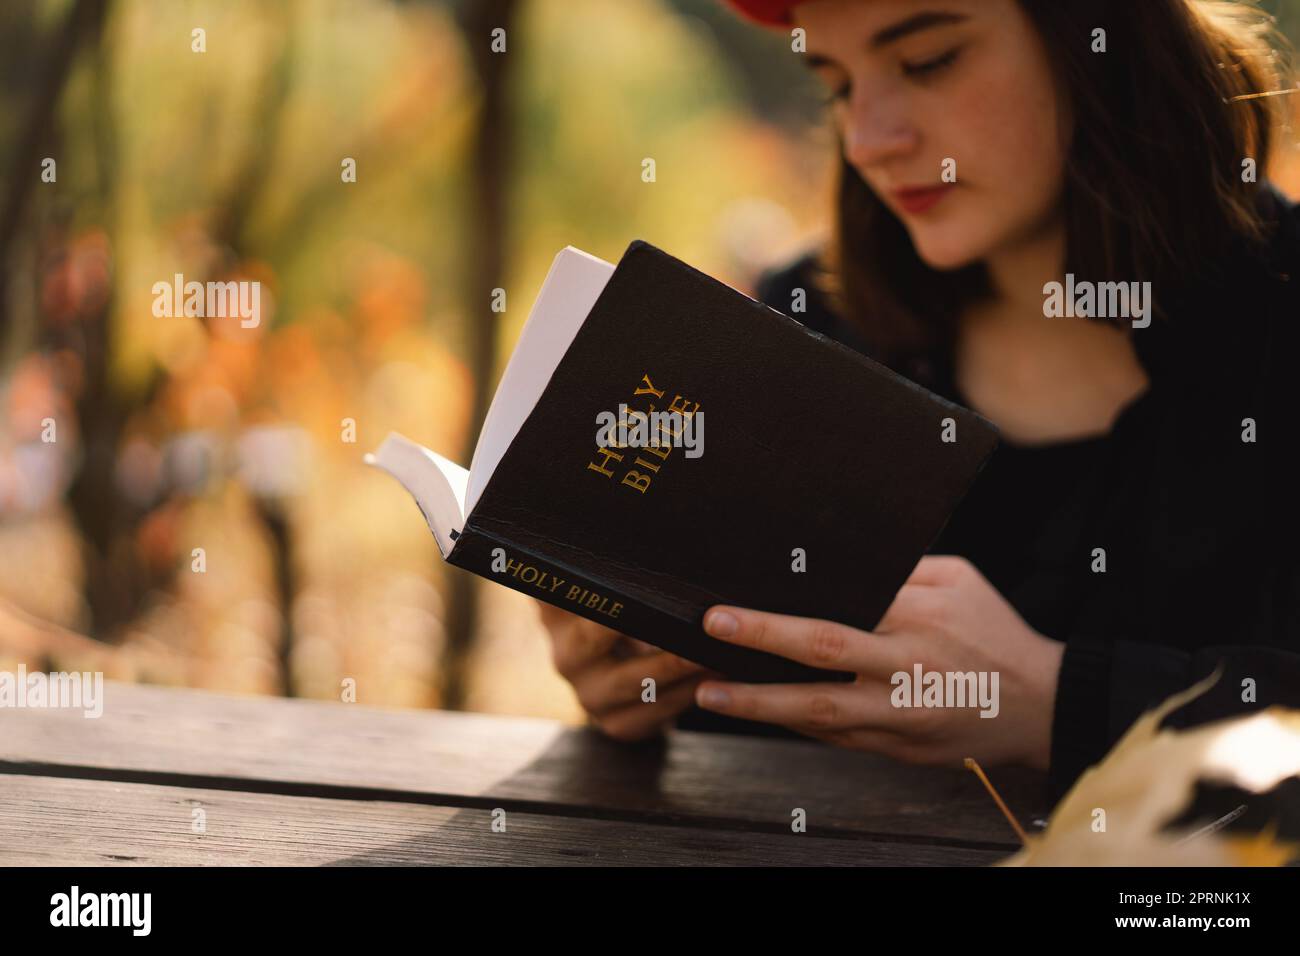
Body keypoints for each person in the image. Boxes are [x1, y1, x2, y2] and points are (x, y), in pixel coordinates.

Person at [538, 0, 1300, 796]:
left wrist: (1056, 702)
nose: (869, 140)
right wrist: (643, 680)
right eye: (835, 87)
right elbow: (754, 738)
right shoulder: (810, 325)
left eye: (929, 61)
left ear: (1102, 39)